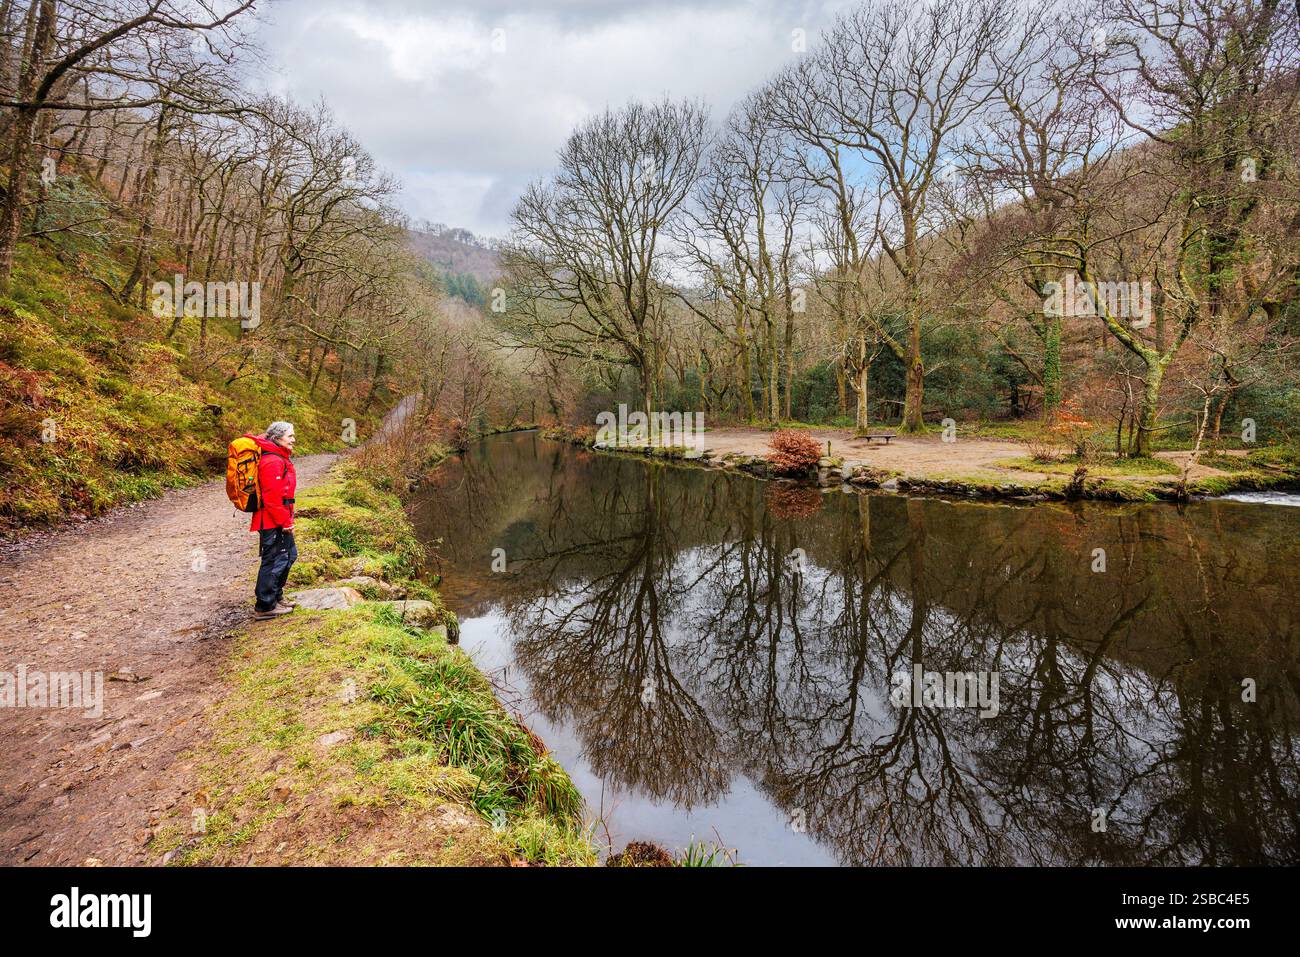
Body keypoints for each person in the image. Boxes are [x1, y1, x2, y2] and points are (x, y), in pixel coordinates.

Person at [250, 421, 298, 619]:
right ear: (277, 438)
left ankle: (276, 596)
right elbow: (272, 498)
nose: (293, 439)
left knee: (289, 556)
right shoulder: (272, 461)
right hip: (272, 521)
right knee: (274, 560)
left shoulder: (278, 457)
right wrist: (285, 522)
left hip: (278, 519)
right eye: (290, 436)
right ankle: (265, 606)